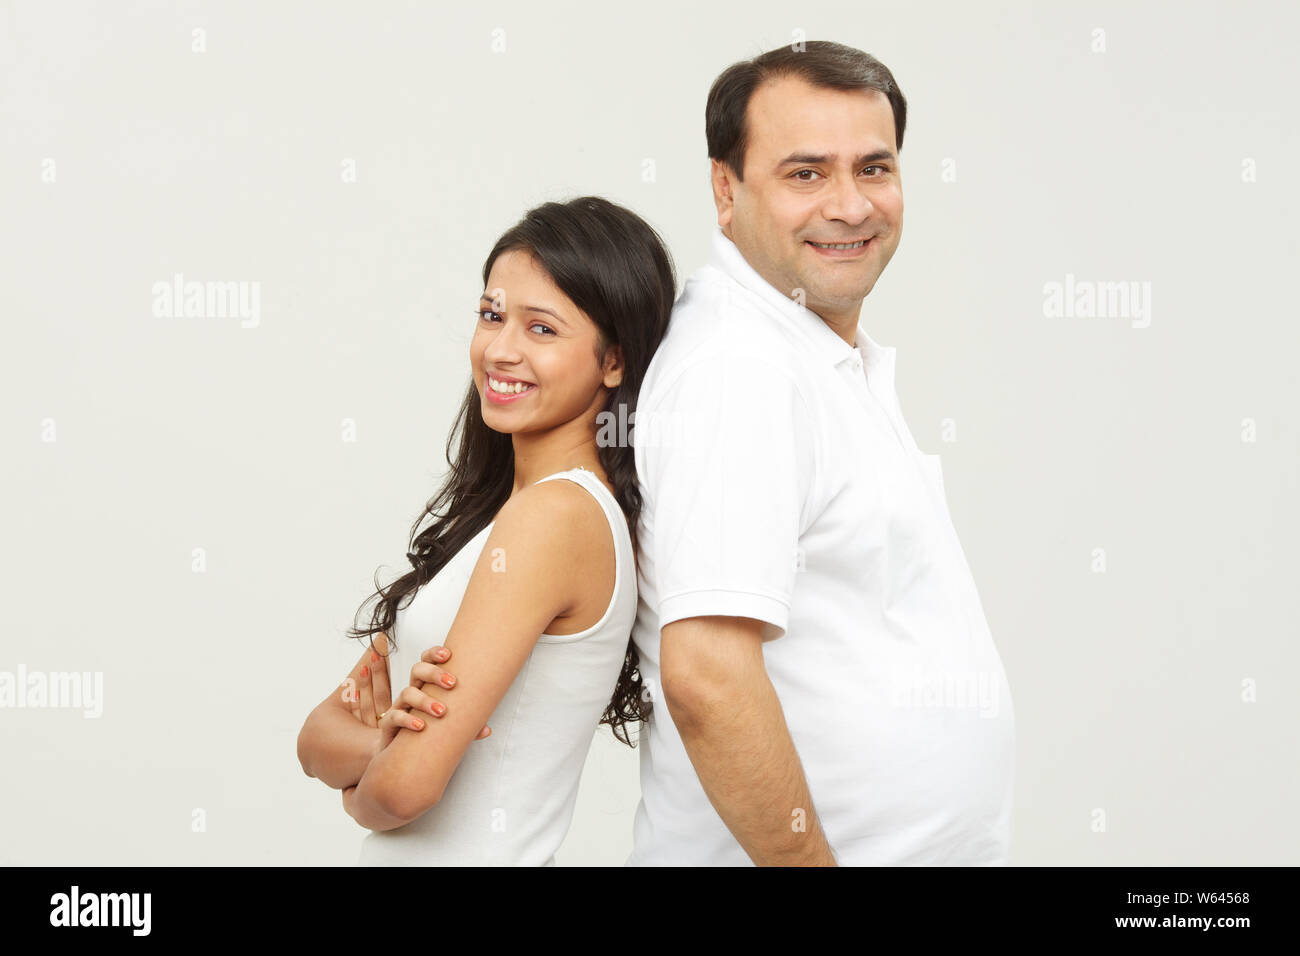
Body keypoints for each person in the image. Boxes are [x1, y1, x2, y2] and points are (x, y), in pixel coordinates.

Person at [622, 40, 1017, 865]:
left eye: (874, 168)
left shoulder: (813, 356)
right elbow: (707, 678)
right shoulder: (741, 367)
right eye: (806, 174)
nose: (850, 206)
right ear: (725, 192)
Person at [295, 196, 675, 865]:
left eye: (542, 330)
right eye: (491, 315)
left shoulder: (556, 519)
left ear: (614, 361)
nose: (501, 350)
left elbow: (405, 791)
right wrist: (385, 746)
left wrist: (364, 790)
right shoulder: (503, 518)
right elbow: (315, 736)